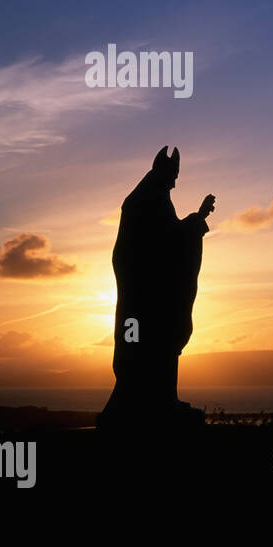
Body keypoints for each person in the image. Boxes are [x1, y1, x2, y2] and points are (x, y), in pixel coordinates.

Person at [97, 146, 214, 431]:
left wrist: (197, 219)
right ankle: (153, 404)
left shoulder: (156, 199)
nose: (174, 183)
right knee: (154, 344)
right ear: (161, 172)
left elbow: (169, 237)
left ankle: (164, 399)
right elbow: (161, 242)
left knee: (164, 344)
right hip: (145, 296)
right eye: (172, 177)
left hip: (155, 293)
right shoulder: (145, 201)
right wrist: (196, 220)